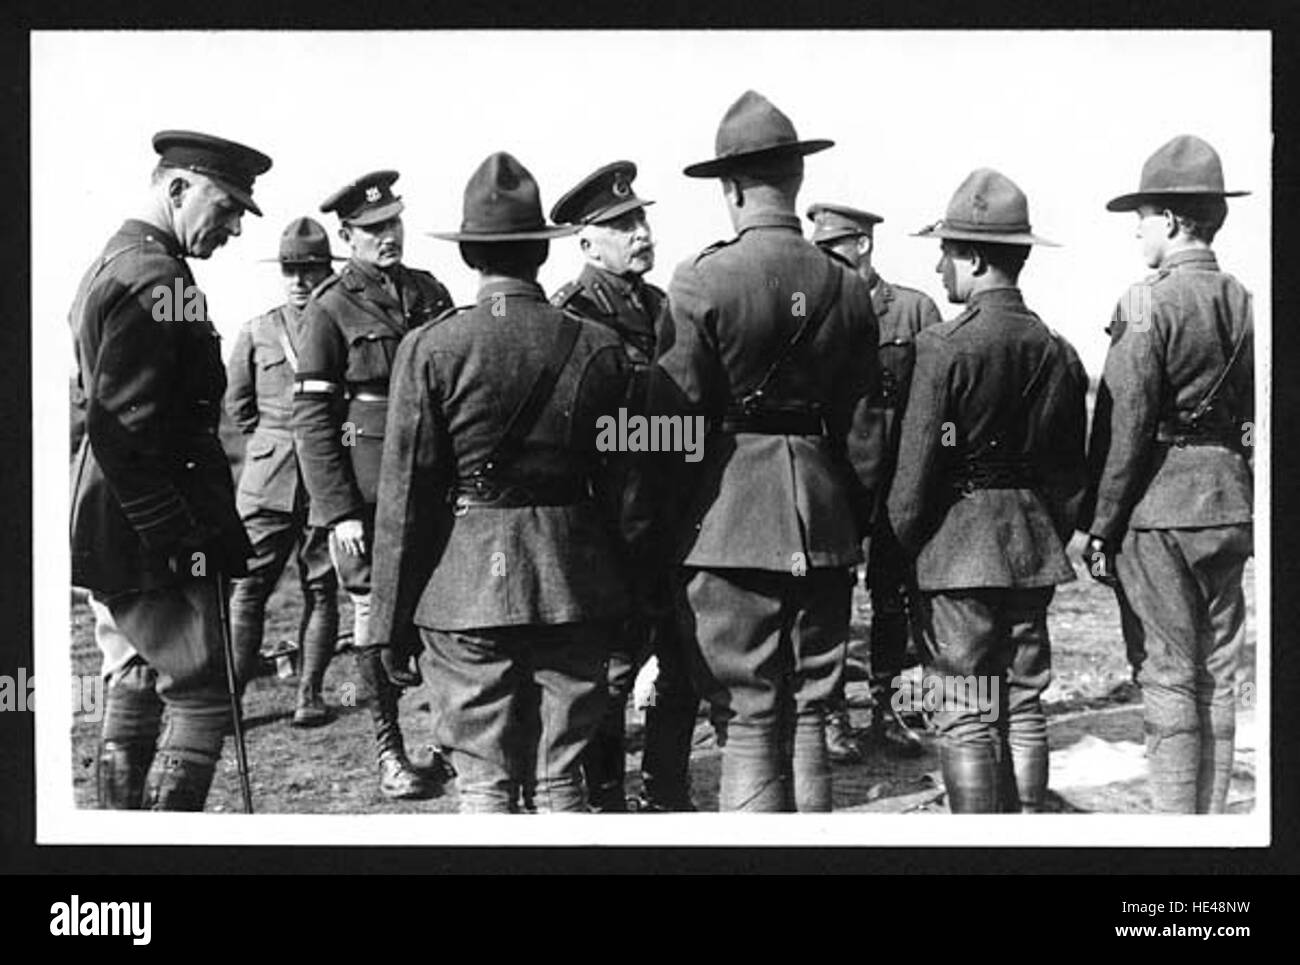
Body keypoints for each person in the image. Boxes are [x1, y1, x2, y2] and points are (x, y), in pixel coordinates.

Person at [638, 90, 881, 812]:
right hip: (824, 518)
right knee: (809, 705)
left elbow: (670, 426)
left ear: (732, 188)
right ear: (796, 184)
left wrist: (671, 519)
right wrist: (848, 519)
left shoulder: (701, 279)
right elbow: (866, 432)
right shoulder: (845, 286)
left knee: (746, 715)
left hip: (728, 522)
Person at [368, 152, 632, 813]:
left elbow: (405, 498)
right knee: (562, 773)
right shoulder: (598, 346)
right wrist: (630, 602)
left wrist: (388, 624)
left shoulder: (432, 347)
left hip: (462, 591)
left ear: (470, 256)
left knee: (481, 777)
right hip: (572, 584)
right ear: (542, 255)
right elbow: (628, 493)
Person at [70, 130, 271, 809]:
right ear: (177, 188)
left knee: (131, 668)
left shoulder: (116, 261)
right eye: (228, 205)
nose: (236, 225)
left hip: (111, 519)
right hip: (152, 527)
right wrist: (182, 540)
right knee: (205, 688)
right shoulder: (159, 279)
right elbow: (123, 425)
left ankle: (121, 829)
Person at [888, 169, 1088, 813]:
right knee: (1024, 697)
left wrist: (897, 549)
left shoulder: (942, 347)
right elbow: (1067, 472)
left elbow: (914, 475)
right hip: (1031, 545)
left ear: (973, 257)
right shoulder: (1058, 350)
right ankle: (1027, 825)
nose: (940, 266)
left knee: (966, 706)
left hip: (957, 551)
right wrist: (1044, 530)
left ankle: (978, 842)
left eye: (946, 251)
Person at [1082, 135, 1254, 813]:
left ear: (1175, 221)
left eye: (1145, 215)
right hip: (1229, 502)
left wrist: (1101, 525)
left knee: (1170, 674)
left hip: (1161, 510)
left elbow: (1125, 428)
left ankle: (1177, 832)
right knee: (1219, 672)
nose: (1138, 229)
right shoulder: (1243, 299)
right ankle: (1211, 826)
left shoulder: (1146, 302)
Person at [293, 171, 453, 798]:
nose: (389, 237)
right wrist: (338, 513)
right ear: (346, 236)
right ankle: (390, 752)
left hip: (436, 485)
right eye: (373, 229)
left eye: (394, 224)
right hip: (369, 497)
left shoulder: (430, 292)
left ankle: (449, 740)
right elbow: (313, 419)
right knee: (371, 615)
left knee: (442, 609)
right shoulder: (329, 309)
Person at [550, 161, 698, 812]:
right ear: (587, 244)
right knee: (607, 675)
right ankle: (606, 801)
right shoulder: (570, 316)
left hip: (670, 520)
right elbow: (578, 437)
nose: (640, 231)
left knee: (682, 660)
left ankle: (665, 790)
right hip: (604, 528)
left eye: (640, 218)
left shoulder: (664, 307)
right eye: (622, 224)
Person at [807, 202, 943, 761]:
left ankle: (888, 711)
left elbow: (939, 396)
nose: (825, 264)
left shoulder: (913, 309)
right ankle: (833, 714)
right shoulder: (815, 313)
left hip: (898, 481)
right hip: (837, 480)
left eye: (834, 250)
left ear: (862, 245)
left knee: (893, 599)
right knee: (830, 599)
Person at [225, 217, 344, 727]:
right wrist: (277, 442)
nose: (299, 280)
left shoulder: (341, 326)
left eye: (309, 269)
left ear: (325, 271)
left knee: (321, 587)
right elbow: (239, 406)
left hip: (324, 481)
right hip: (269, 481)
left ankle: (310, 695)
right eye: (291, 270)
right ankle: (227, 703)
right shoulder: (256, 330)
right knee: (249, 589)